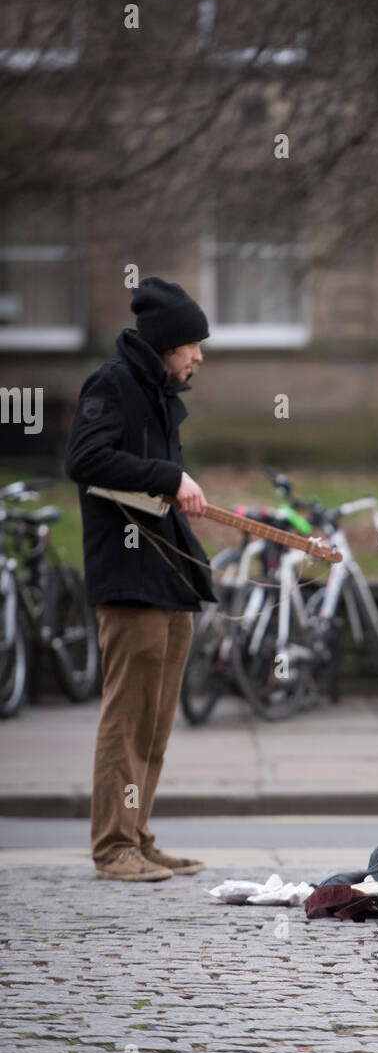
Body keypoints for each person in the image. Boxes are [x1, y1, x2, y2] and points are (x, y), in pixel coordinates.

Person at [66, 277, 216, 882]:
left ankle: (138, 834)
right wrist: (167, 476)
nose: (198, 357)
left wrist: (169, 487)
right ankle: (112, 848)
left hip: (167, 576)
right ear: (165, 345)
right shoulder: (113, 383)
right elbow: (83, 459)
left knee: (155, 721)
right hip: (128, 579)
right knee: (126, 719)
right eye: (191, 346)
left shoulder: (157, 390)